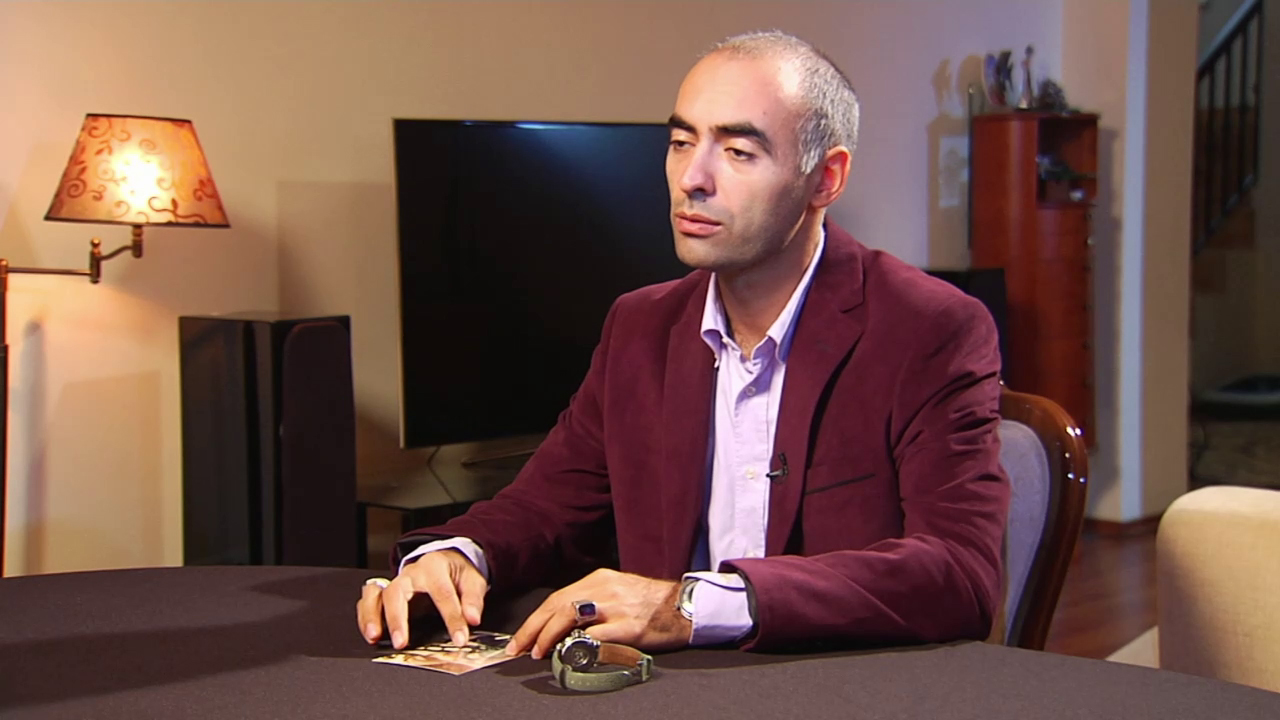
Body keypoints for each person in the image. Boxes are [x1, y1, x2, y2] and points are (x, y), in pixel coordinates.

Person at [356, 30, 1009, 659]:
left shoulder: (929, 329)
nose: (691, 178)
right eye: (680, 142)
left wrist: (688, 605)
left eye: (738, 152)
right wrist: (456, 553)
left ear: (826, 179)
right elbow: (546, 503)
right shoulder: (640, 326)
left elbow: (959, 572)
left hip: (837, 689)